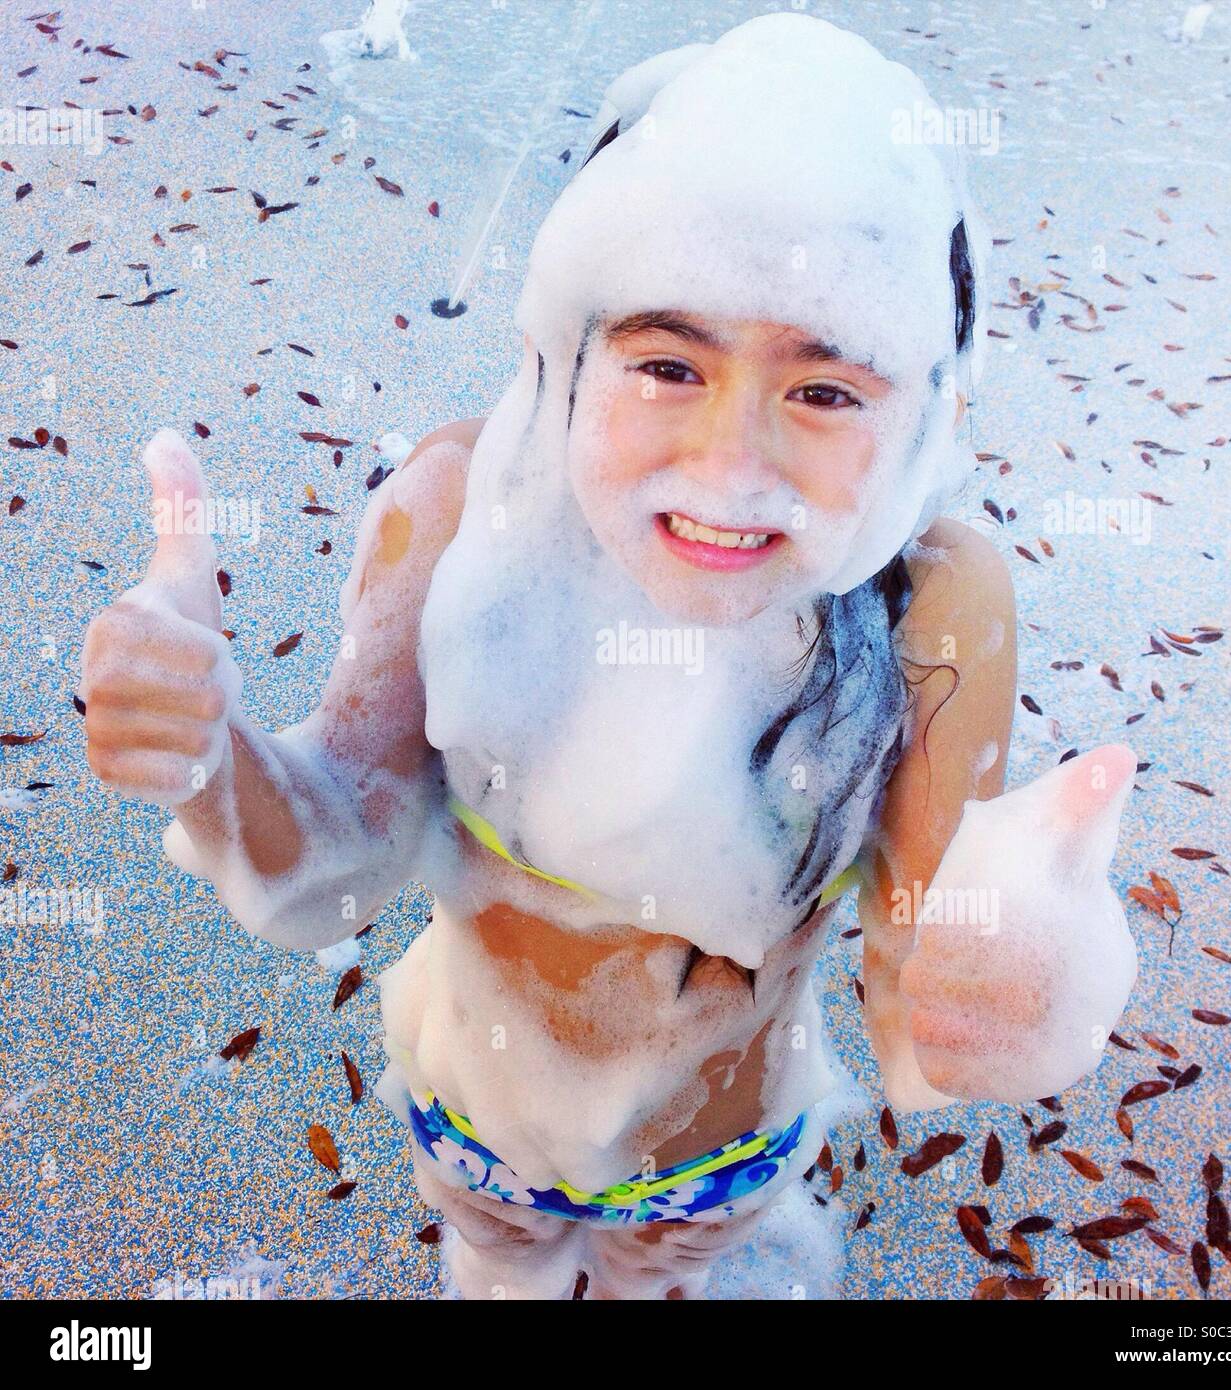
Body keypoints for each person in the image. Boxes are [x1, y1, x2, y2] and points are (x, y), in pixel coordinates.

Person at [78, 15, 1136, 1299]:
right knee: (496, 1260)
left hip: (713, 1163)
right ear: (565, 347)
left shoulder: (932, 603)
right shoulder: (461, 510)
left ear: (929, 408)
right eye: (666, 363)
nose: (730, 465)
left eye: (823, 391)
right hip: (468, 1118)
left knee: (657, 1283)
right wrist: (209, 754)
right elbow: (332, 866)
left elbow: (918, 983)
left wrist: (1011, 989)